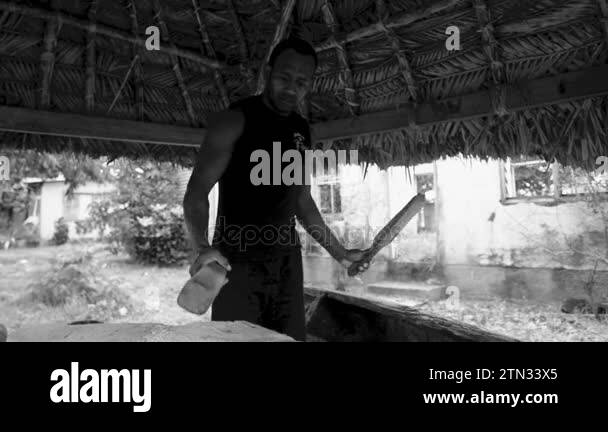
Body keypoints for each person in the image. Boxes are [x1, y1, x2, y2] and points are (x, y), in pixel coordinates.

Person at [183, 37, 369, 341]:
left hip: (286, 264)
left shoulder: (302, 131)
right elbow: (195, 194)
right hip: (235, 264)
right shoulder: (234, 121)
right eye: (284, 77)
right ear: (268, 72)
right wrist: (202, 248)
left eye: (302, 82)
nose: (292, 88)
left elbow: (302, 201)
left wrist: (341, 254)